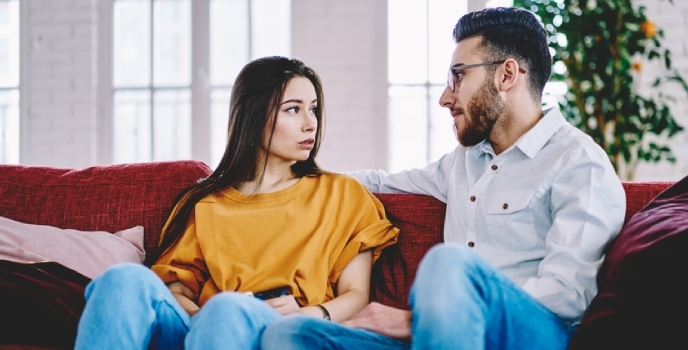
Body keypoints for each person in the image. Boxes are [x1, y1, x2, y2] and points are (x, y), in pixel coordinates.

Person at [261, 7, 626, 350]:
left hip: (534, 331)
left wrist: (418, 317)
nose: (444, 98)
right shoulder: (465, 161)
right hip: (438, 331)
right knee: (291, 333)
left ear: (507, 74)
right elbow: (378, 182)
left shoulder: (578, 163)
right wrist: (276, 178)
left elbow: (568, 295)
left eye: (458, 76)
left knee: (448, 263)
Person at [73, 56, 399, 350]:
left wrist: (309, 313)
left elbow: (357, 295)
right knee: (122, 279)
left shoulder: (342, 194)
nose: (310, 123)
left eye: (313, 108)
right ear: (254, 117)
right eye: (293, 109)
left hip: (280, 327)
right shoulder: (207, 203)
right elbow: (177, 291)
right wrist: (204, 316)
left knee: (227, 307)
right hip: (204, 326)